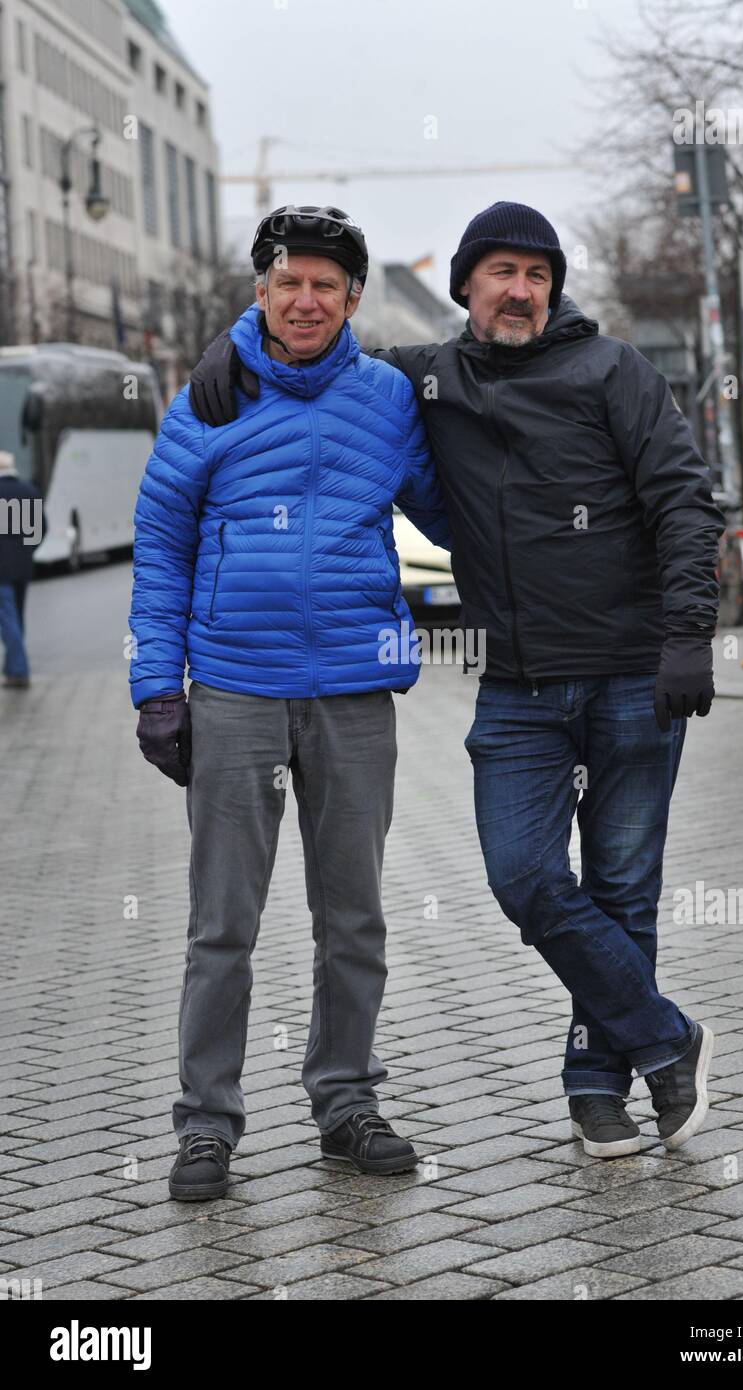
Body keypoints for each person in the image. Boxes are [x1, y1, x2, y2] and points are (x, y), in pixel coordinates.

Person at [189, 201, 727, 1161]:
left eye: (537, 275)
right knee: (524, 877)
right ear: (467, 287)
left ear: (553, 289)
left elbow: (684, 498)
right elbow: (318, 348)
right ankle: (666, 1035)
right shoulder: (426, 380)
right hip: (518, 687)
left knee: (621, 889)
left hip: (628, 675)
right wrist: (229, 349)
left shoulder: (615, 372)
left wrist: (688, 634)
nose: (520, 291)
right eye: (501, 273)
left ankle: (598, 1084)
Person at [128, 206, 452, 1198]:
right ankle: (206, 1122)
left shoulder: (390, 399)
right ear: (259, 293)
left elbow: (453, 508)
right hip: (232, 690)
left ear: (352, 299)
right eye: (285, 282)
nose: (303, 300)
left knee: (352, 919)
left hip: (355, 692)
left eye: (324, 284)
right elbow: (162, 547)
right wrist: (156, 688)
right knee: (221, 923)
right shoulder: (206, 401)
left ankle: (346, 1099)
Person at [0, 450, 46, 689]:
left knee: (7, 620)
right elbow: (40, 530)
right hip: (23, 566)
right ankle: (11, 668)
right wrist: (28, 550)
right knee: (16, 617)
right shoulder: (29, 491)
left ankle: (19, 670)